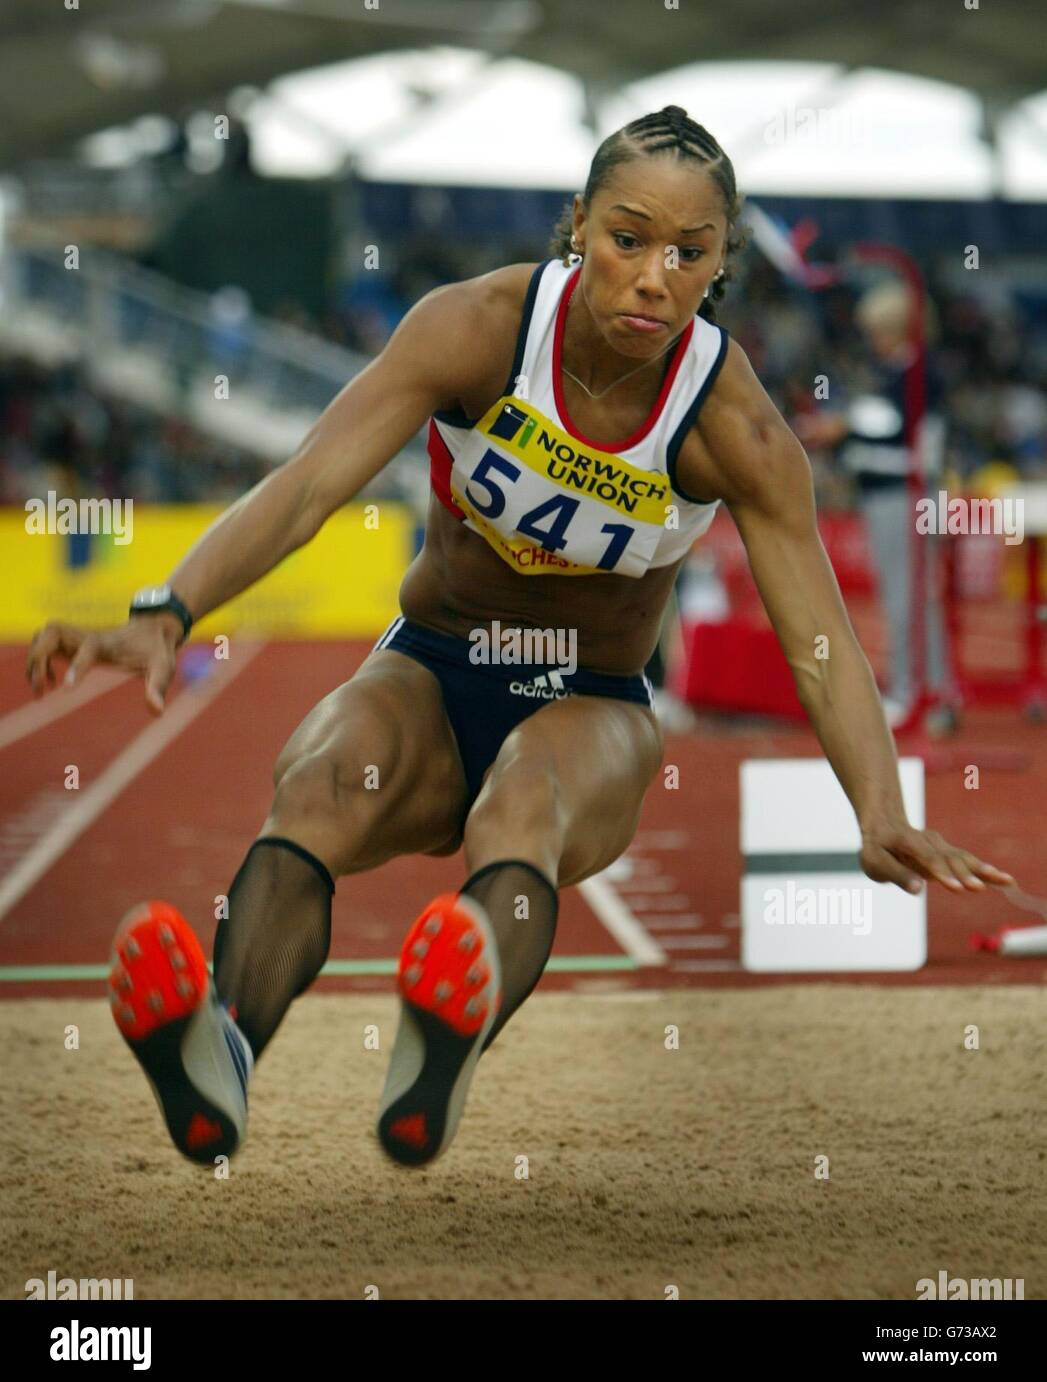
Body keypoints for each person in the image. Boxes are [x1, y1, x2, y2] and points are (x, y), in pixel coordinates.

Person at [25, 105, 1013, 1169]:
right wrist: (164, 612)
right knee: (316, 778)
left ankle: (440, 1045)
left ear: (721, 263)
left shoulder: (736, 428)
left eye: (691, 253)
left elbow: (816, 637)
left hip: (590, 700)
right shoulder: (477, 329)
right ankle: (219, 1050)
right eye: (628, 239)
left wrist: (875, 808)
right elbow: (310, 481)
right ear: (578, 224)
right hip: (433, 662)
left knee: (522, 804)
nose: (654, 277)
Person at [795, 282, 958, 730]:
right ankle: (935, 689)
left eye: (877, 331)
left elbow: (893, 427)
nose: (872, 340)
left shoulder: (916, 373)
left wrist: (841, 427)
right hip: (896, 492)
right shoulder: (896, 372)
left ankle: (915, 690)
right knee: (911, 595)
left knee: (906, 595)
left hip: (906, 495)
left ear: (897, 329)